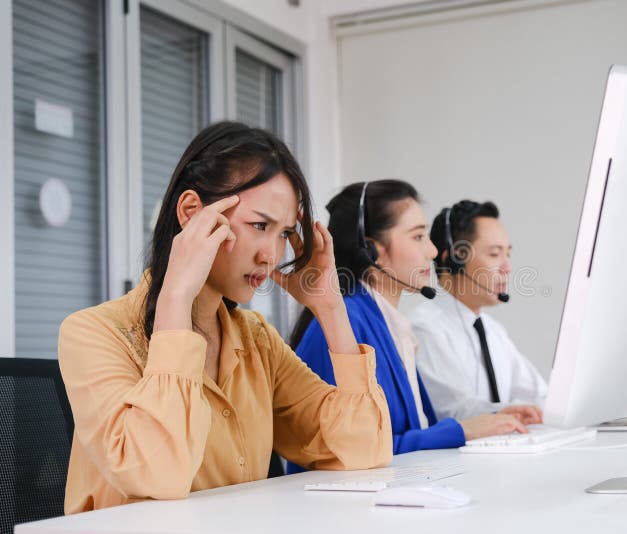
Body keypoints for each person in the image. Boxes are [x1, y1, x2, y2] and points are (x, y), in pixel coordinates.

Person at [57, 122, 392, 514]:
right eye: (259, 225)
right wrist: (177, 297)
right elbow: (158, 475)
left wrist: (330, 308)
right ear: (192, 213)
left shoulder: (257, 340)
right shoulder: (94, 333)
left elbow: (364, 448)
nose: (271, 255)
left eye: (283, 233)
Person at [288, 181, 536, 473]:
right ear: (372, 250)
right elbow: (350, 452)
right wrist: (462, 431)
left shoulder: (388, 324)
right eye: (418, 237)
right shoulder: (341, 325)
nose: (432, 251)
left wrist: (484, 421)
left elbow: (410, 430)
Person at [410, 200, 548, 421]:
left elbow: (539, 395)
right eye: (494, 254)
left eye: (508, 254)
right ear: (454, 260)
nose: (507, 268)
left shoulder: (494, 331)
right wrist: (505, 413)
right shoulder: (424, 329)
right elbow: (450, 410)